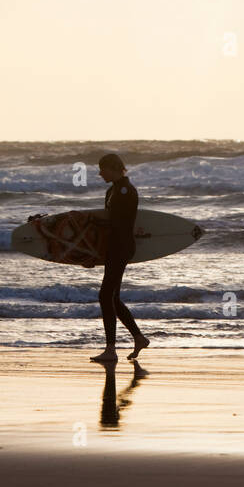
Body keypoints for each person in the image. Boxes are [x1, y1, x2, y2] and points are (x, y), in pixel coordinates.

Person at [89, 152, 150, 364]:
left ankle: (110, 349)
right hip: (113, 247)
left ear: (113, 168)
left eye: (102, 168)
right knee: (112, 297)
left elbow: (117, 224)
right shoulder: (112, 190)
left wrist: (89, 221)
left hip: (121, 248)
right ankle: (139, 338)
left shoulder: (125, 191)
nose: (99, 173)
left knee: (105, 296)